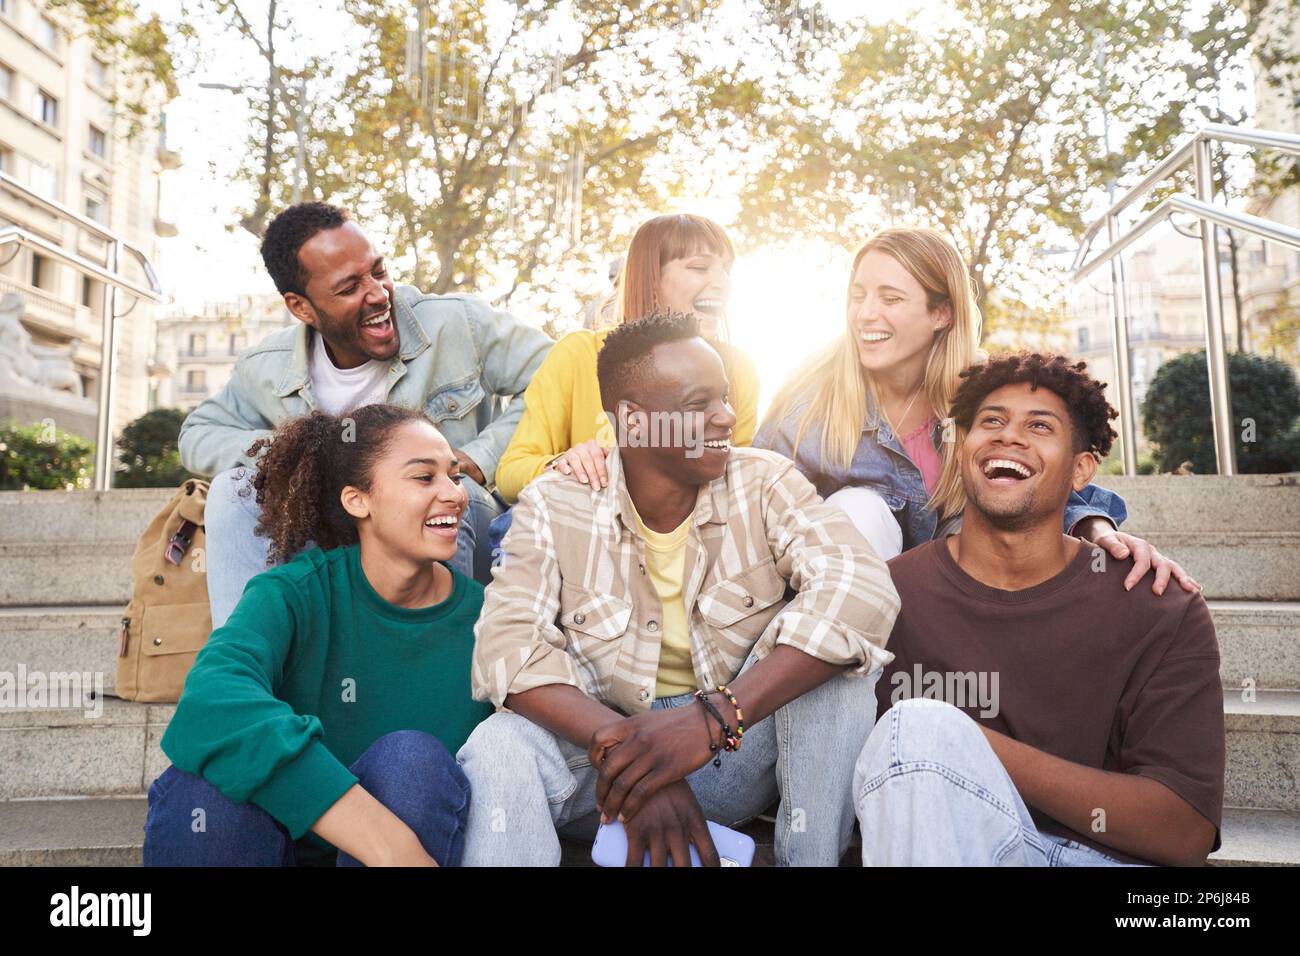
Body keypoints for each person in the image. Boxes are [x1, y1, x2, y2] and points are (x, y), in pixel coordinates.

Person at [458, 312, 901, 867]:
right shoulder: (556, 504)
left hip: (733, 747)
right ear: (636, 423)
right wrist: (641, 756)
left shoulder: (764, 481)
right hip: (602, 761)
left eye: (725, 396)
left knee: (839, 667)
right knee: (499, 747)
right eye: (699, 405)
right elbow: (506, 651)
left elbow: (860, 586)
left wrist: (713, 717)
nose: (727, 417)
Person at [854, 353, 1224, 866]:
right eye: (991, 421)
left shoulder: (1158, 603)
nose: (1009, 437)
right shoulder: (886, 595)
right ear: (961, 449)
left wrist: (962, 746)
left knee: (920, 728)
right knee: (917, 731)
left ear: (1081, 470)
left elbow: (1185, 833)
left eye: (1040, 426)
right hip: (947, 847)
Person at [755, 227, 1197, 596]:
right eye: (859, 295)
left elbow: (1044, 479)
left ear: (942, 313)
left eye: (890, 299)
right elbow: (755, 507)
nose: (866, 314)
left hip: (955, 603)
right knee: (859, 509)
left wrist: (1100, 531)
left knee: (980, 528)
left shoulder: (987, 392)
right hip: (837, 605)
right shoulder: (810, 399)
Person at [144, 404, 493, 866]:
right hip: (273, 845)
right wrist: (389, 844)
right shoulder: (291, 593)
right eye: (424, 478)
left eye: (455, 476)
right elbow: (211, 702)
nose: (454, 494)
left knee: (412, 761)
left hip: (412, 823)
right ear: (358, 501)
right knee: (205, 792)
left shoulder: (490, 620)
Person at [179, 201, 552, 624]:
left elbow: (557, 378)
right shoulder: (267, 364)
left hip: (459, 513)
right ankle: (248, 668)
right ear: (301, 307)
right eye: (349, 287)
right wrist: (296, 455)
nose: (378, 294)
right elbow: (197, 433)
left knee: (436, 496)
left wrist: (481, 457)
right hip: (340, 528)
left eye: (378, 271)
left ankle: (433, 674)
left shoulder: (457, 321)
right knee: (233, 490)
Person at [493, 213, 762, 505]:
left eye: (727, 270)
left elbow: (740, 481)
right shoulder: (579, 353)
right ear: (652, 281)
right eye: (700, 267)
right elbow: (510, 474)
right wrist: (565, 465)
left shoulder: (738, 369)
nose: (722, 282)